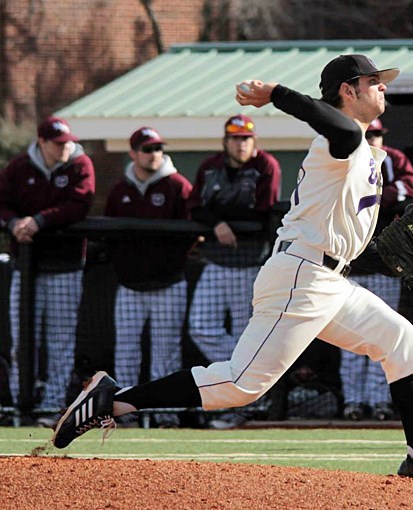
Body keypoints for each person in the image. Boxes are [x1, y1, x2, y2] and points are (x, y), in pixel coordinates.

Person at [52, 54, 413, 483]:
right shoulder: (341, 142)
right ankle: (113, 401)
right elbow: (337, 127)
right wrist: (277, 95)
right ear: (348, 90)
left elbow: (340, 239)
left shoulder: (366, 153)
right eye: (374, 81)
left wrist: (382, 258)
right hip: (301, 276)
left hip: (329, 277)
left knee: (404, 345)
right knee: (241, 385)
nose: (383, 87)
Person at [186, 114, 281, 429]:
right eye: (235, 138)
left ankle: (249, 401)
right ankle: (241, 369)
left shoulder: (265, 165)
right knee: (200, 326)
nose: (241, 144)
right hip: (215, 259)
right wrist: (217, 223)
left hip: (251, 262)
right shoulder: (210, 167)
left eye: (246, 138)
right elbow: (195, 206)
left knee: (247, 331)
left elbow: (262, 209)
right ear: (225, 140)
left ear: (254, 141)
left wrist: (221, 216)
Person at [0, 116, 95, 427]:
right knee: (22, 341)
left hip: (65, 268)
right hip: (26, 269)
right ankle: (20, 406)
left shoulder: (81, 164)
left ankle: (52, 406)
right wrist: (14, 223)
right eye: (58, 142)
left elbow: (79, 204)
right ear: (41, 142)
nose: (65, 146)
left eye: (67, 141)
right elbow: (2, 203)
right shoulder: (18, 168)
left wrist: (38, 220)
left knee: (60, 341)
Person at [104, 127, 193, 428]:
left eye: (158, 148)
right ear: (133, 153)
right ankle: (124, 413)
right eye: (147, 149)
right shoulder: (120, 190)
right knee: (126, 352)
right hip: (130, 286)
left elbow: (194, 230)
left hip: (169, 284)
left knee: (165, 355)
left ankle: (165, 415)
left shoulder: (178, 185)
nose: (154, 154)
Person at [341, 118, 413, 421]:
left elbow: (409, 189)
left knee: (382, 335)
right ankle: (353, 400)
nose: (372, 138)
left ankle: (379, 401)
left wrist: (375, 197)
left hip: (386, 264)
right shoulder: (347, 160)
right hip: (351, 263)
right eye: (367, 133)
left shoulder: (394, 159)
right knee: (348, 337)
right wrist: (381, 197)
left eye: (376, 134)